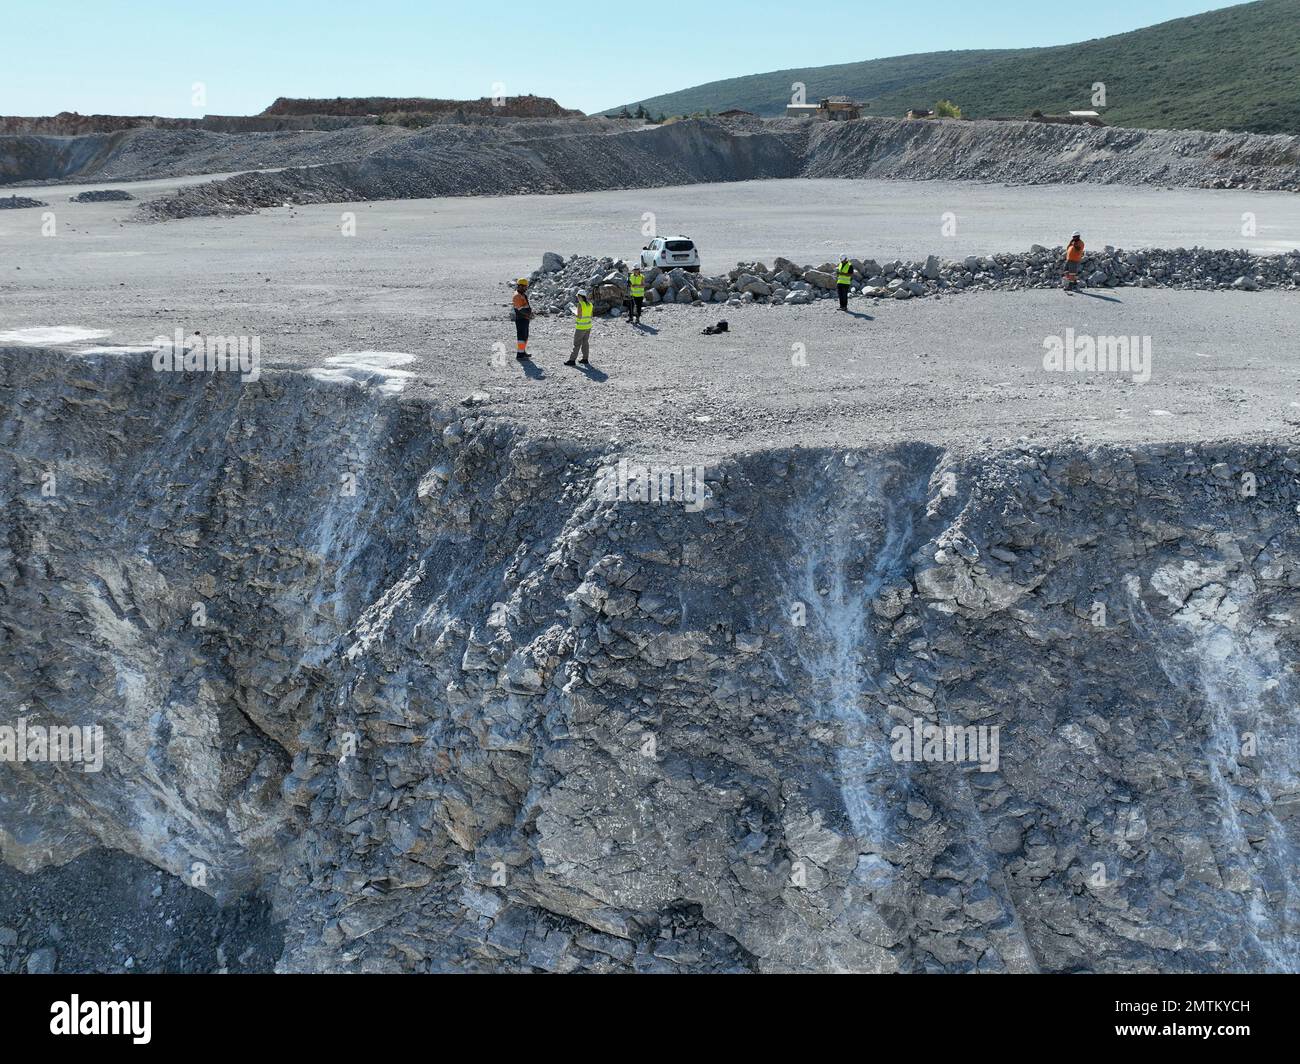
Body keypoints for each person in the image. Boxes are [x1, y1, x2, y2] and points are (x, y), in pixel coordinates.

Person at [564, 290, 594, 366]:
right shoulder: (590, 304)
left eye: (578, 296)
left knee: (577, 344)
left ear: (580, 296)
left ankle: (572, 360)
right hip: (588, 326)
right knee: (585, 343)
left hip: (581, 327)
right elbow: (591, 316)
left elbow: (579, 316)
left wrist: (575, 313)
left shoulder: (580, 305)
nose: (577, 298)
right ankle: (585, 359)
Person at [511, 278, 532, 359]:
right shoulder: (517, 296)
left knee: (525, 336)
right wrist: (529, 314)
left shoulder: (522, 294)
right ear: (520, 286)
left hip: (525, 318)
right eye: (525, 287)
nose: (526, 288)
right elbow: (520, 309)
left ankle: (522, 352)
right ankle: (520, 355)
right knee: (521, 337)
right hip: (521, 319)